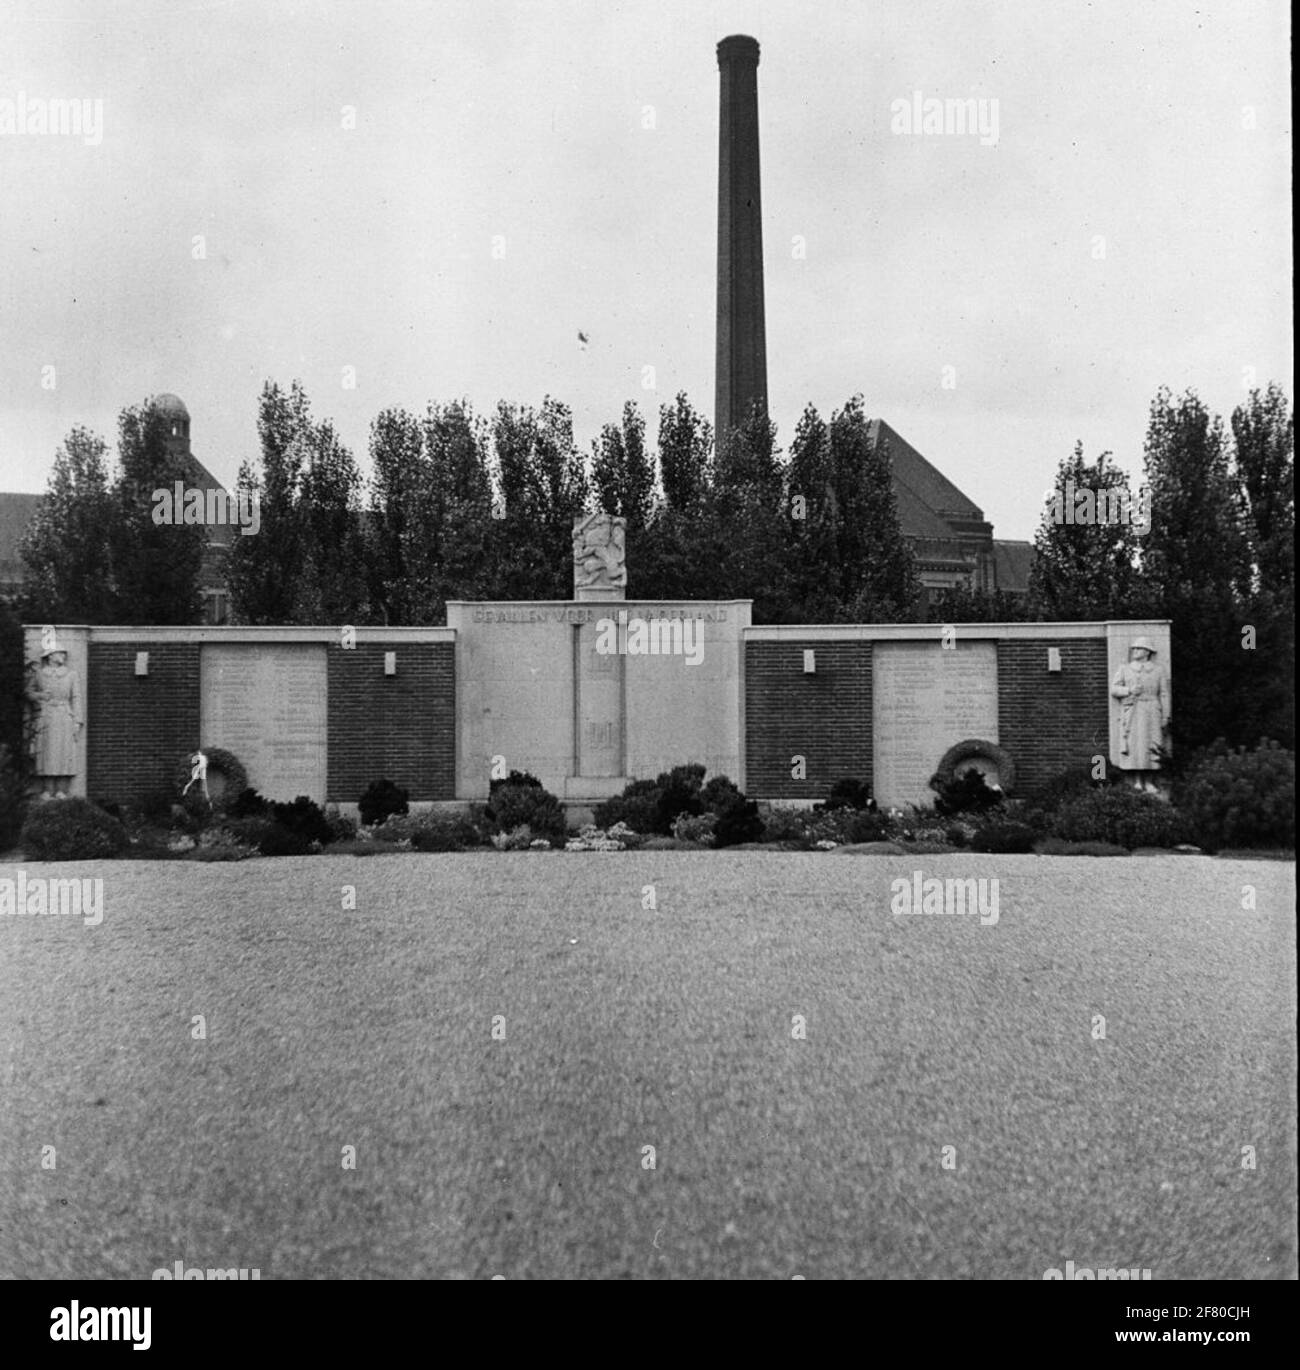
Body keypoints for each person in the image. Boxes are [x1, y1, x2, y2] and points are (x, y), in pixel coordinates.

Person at [1110, 636, 1170, 792]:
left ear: (1147, 652)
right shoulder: (1125, 669)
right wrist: (1129, 690)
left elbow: (1164, 693)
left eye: (1139, 648)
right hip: (1134, 710)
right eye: (1134, 649)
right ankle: (1137, 780)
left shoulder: (1158, 670)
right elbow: (1114, 689)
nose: (1135, 651)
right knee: (1136, 745)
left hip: (1152, 710)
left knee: (1153, 745)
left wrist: (1165, 716)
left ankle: (1149, 781)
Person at [30, 640, 82, 800]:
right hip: (46, 716)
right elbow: (28, 691)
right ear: (51, 656)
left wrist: (77, 720)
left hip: (64, 716)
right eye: (60, 653)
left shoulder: (71, 674)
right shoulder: (39, 674)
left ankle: (61, 789)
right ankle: (47, 789)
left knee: (63, 753)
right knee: (46, 752)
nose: (63, 656)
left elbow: (76, 697)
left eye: (64, 653)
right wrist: (39, 696)